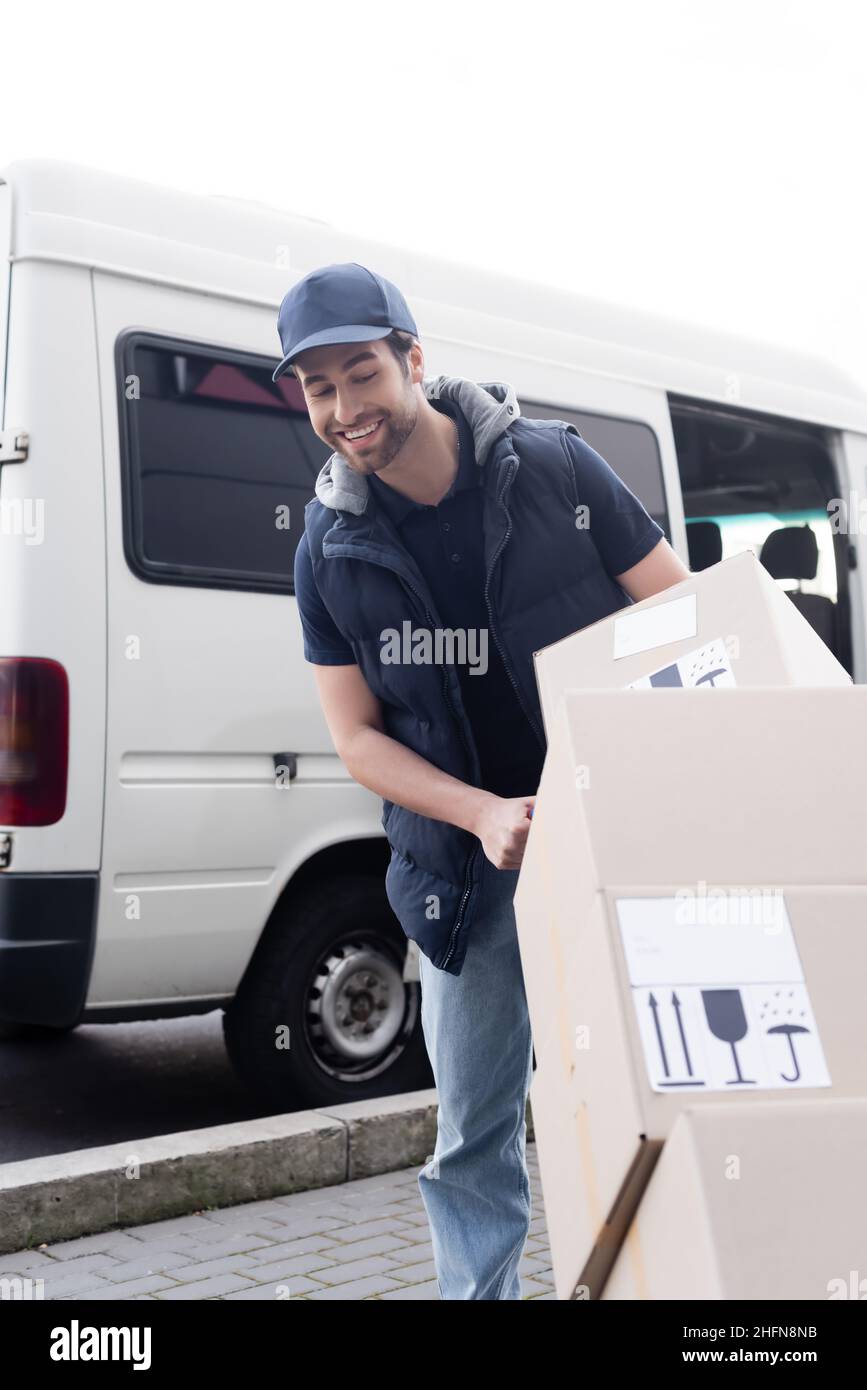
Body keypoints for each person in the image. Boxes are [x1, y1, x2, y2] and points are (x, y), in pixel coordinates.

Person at [276, 262, 690, 1299]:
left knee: (651, 1099)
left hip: (615, 849)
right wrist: (482, 812)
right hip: (466, 874)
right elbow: (358, 740)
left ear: (415, 360)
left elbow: (679, 615)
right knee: (473, 1137)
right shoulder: (329, 546)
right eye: (318, 387)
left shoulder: (553, 469)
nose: (343, 408)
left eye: (360, 372)